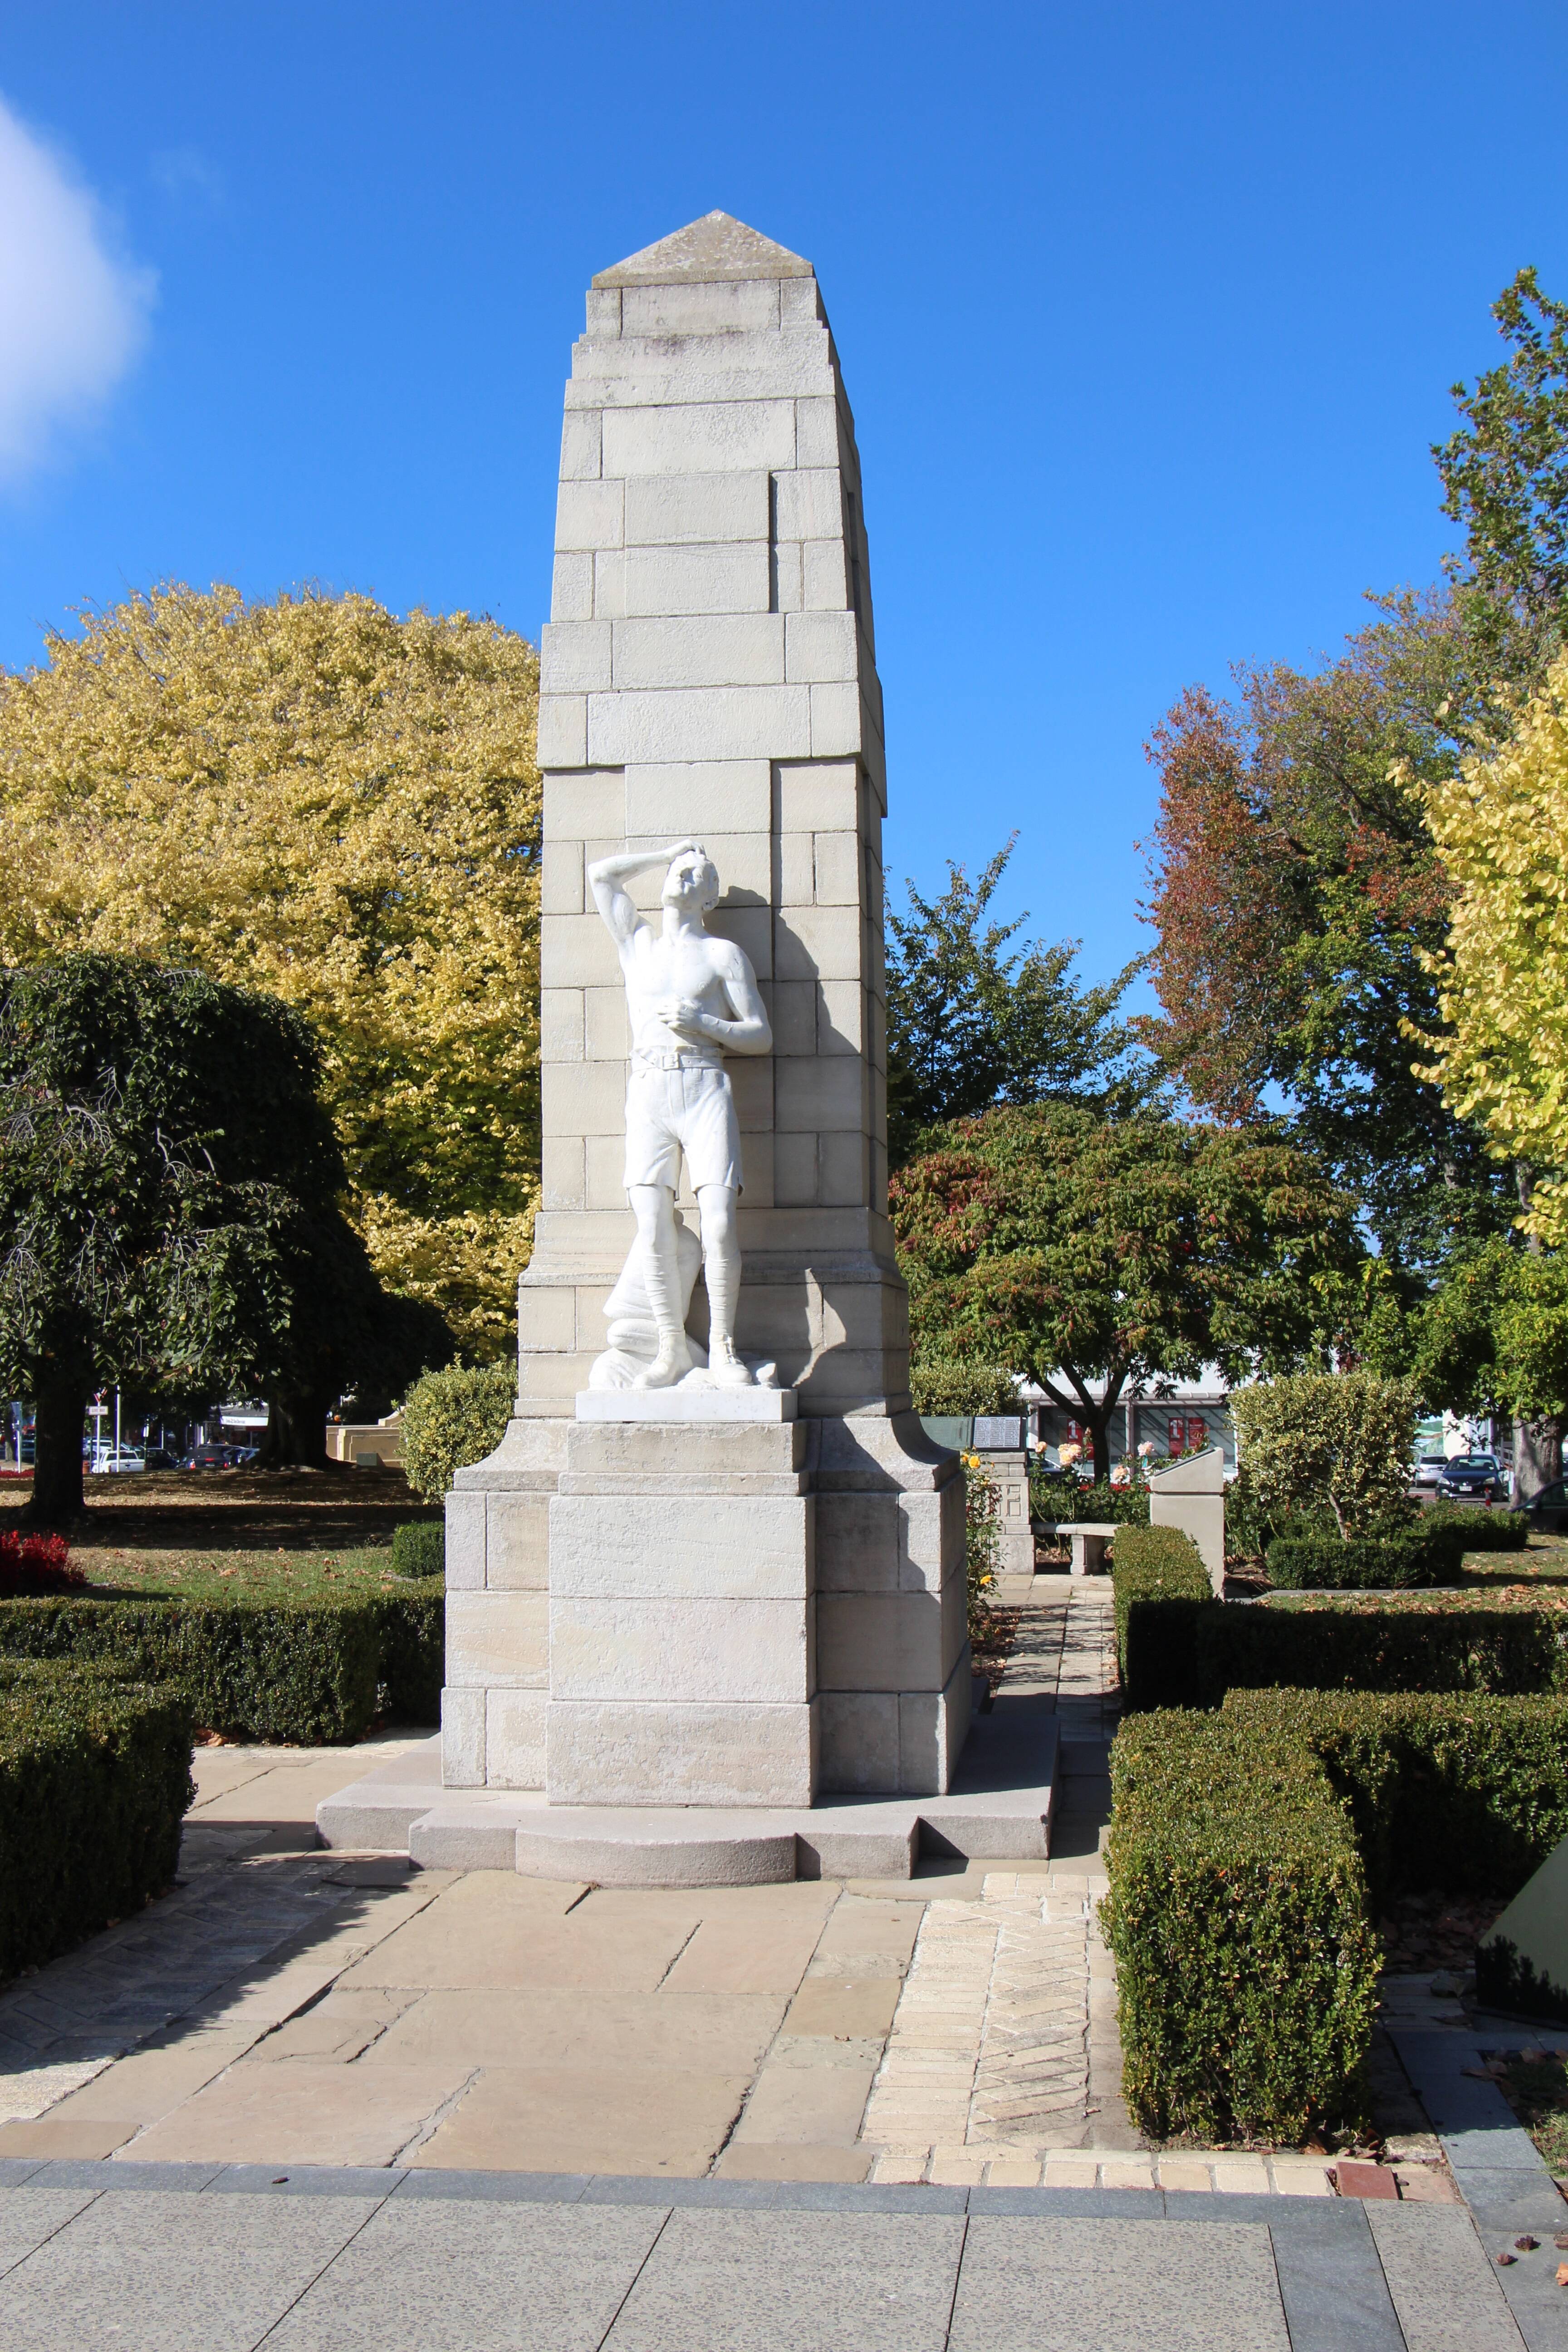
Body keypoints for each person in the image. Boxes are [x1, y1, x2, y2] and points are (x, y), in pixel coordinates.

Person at [587, 839, 773, 1388]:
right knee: (652, 1229)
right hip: (648, 1088)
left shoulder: (723, 955)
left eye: (697, 875)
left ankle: (723, 1348)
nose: (683, 878)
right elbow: (602, 876)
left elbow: (760, 1036)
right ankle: (671, 1348)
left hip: (704, 1084)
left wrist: (705, 1022)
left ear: (710, 896)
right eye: (679, 871)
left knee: (717, 1225)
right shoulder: (638, 943)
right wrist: (666, 850)